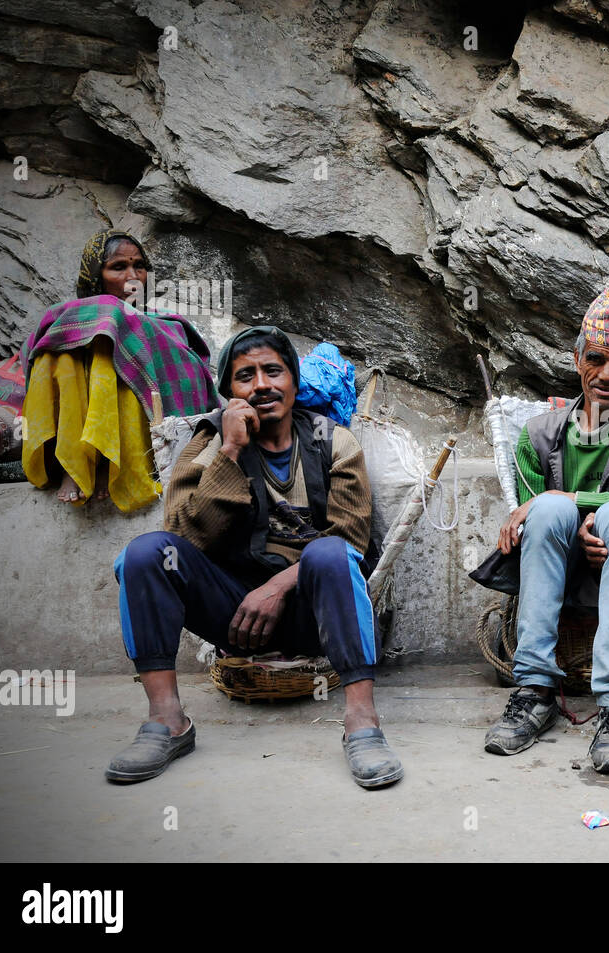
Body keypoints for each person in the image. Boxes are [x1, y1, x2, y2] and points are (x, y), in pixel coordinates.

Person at [105, 325, 403, 789]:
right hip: (236, 616)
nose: (261, 385)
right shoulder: (207, 445)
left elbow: (352, 540)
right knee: (145, 554)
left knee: (329, 552)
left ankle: (362, 723)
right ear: (228, 394)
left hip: (314, 615)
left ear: (293, 381)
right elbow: (183, 537)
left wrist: (279, 586)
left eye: (273, 371)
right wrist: (230, 451)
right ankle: (168, 721)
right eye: (245, 376)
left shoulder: (332, 441)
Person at [478, 289, 609, 773]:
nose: (606, 374)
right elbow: (535, 520)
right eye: (596, 359)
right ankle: (535, 689)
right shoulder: (539, 434)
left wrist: (579, 500)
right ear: (577, 359)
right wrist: (560, 510)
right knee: (546, 514)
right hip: (565, 566)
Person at [21, 229, 217, 511]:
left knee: (114, 336)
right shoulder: (66, 314)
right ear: (95, 275)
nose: (133, 275)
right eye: (118, 267)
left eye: (139, 265)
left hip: (141, 416)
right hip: (78, 400)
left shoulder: (165, 323)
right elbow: (35, 351)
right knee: (65, 353)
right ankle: (74, 461)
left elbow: (188, 369)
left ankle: (109, 462)